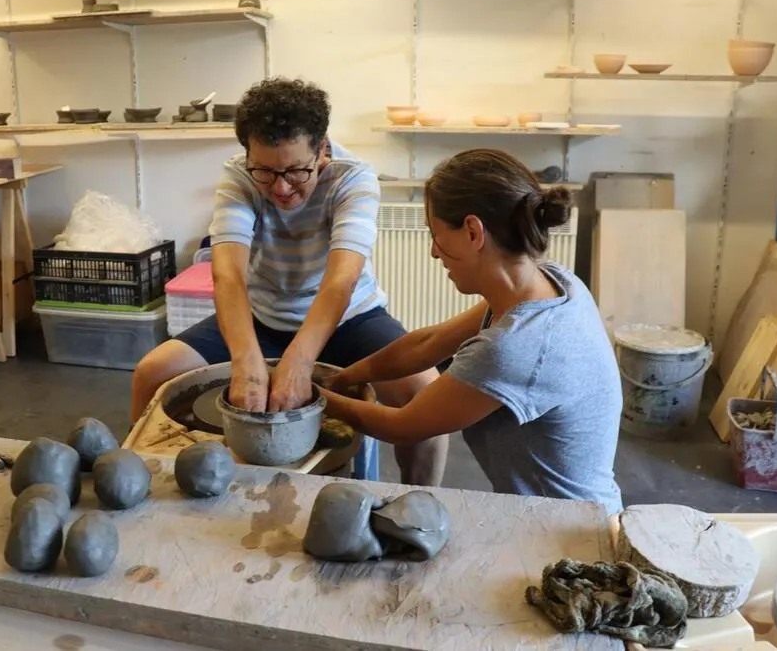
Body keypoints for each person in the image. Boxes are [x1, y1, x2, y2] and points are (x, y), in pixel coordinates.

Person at [130, 77, 449, 486]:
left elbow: (341, 281)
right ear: (248, 155)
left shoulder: (355, 179)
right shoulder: (239, 176)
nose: (281, 188)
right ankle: (139, 486)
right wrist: (246, 361)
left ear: (324, 150)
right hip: (264, 319)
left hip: (349, 319)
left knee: (426, 396)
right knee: (153, 372)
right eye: (265, 171)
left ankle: (419, 506)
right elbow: (227, 275)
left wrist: (299, 364)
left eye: (297, 170)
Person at [323, 148, 624, 515]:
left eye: (436, 235)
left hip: (567, 529)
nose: (435, 253)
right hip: (563, 510)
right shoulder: (551, 280)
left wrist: (312, 397)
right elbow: (429, 342)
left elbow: (404, 425)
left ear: (472, 231)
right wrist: (346, 377)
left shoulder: (516, 346)